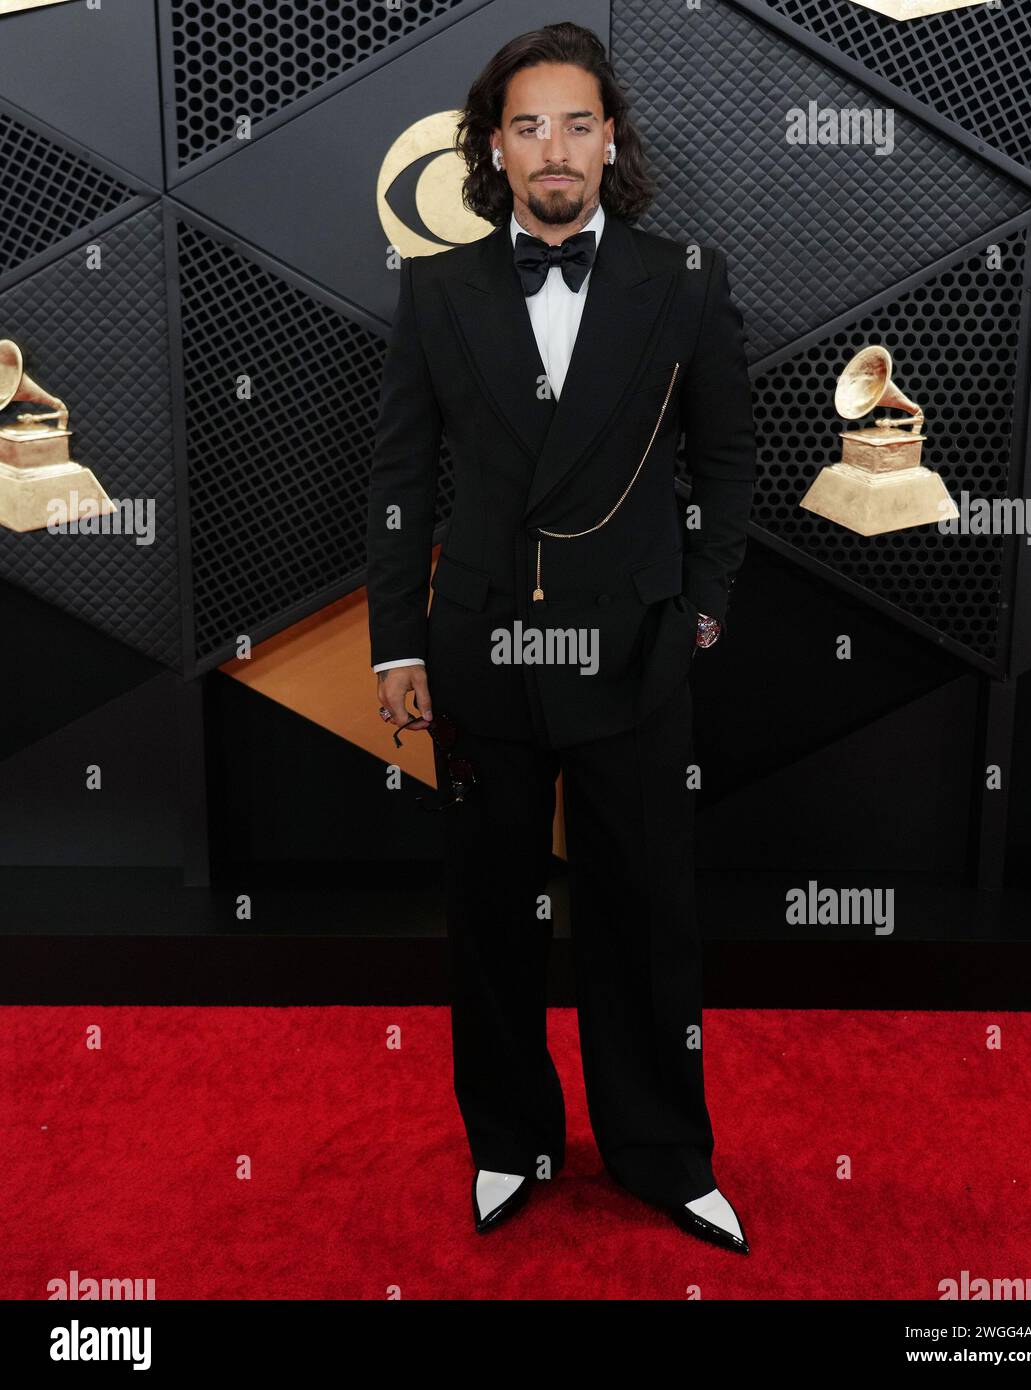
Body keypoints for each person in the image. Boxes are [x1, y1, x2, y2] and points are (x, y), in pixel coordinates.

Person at [366, 21, 756, 1254]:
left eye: (576, 123)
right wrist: (395, 644)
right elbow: (398, 480)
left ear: (608, 140)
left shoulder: (682, 279)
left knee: (644, 910)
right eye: (527, 124)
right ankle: (510, 1144)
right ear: (493, 147)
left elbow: (730, 462)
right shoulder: (435, 290)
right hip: (481, 648)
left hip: (632, 650)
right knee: (490, 913)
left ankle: (659, 1150)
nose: (554, 148)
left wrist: (696, 610)